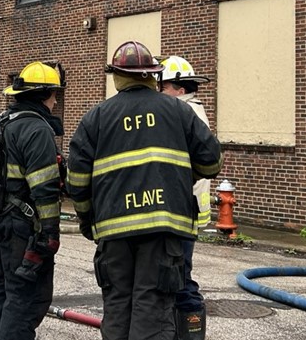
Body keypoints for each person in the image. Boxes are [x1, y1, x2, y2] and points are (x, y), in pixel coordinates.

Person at [67, 41, 221, 340]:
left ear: (117, 76)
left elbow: (77, 182)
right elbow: (212, 162)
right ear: (152, 75)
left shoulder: (95, 118)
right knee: (152, 309)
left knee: (117, 308)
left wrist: (88, 222)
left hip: (113, 232)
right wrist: (181, 176)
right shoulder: (179, 111)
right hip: (164, 231)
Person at [0, 61, 65, 340]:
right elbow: (45, 188)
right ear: (44, 95)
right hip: (22, 229)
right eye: (54, 95)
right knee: (26, 297)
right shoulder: (37, 130)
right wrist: (49, 232)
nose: (55, 101)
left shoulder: (3, 122)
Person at [159, 56, 214, 340]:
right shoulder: (190, 112)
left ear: (180, 89)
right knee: (177, 274)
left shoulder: (185, 115)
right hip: (186, 209)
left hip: (183, 210)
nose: (160, 93)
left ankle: (189, 329)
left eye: (164, 87)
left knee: (180, 279)